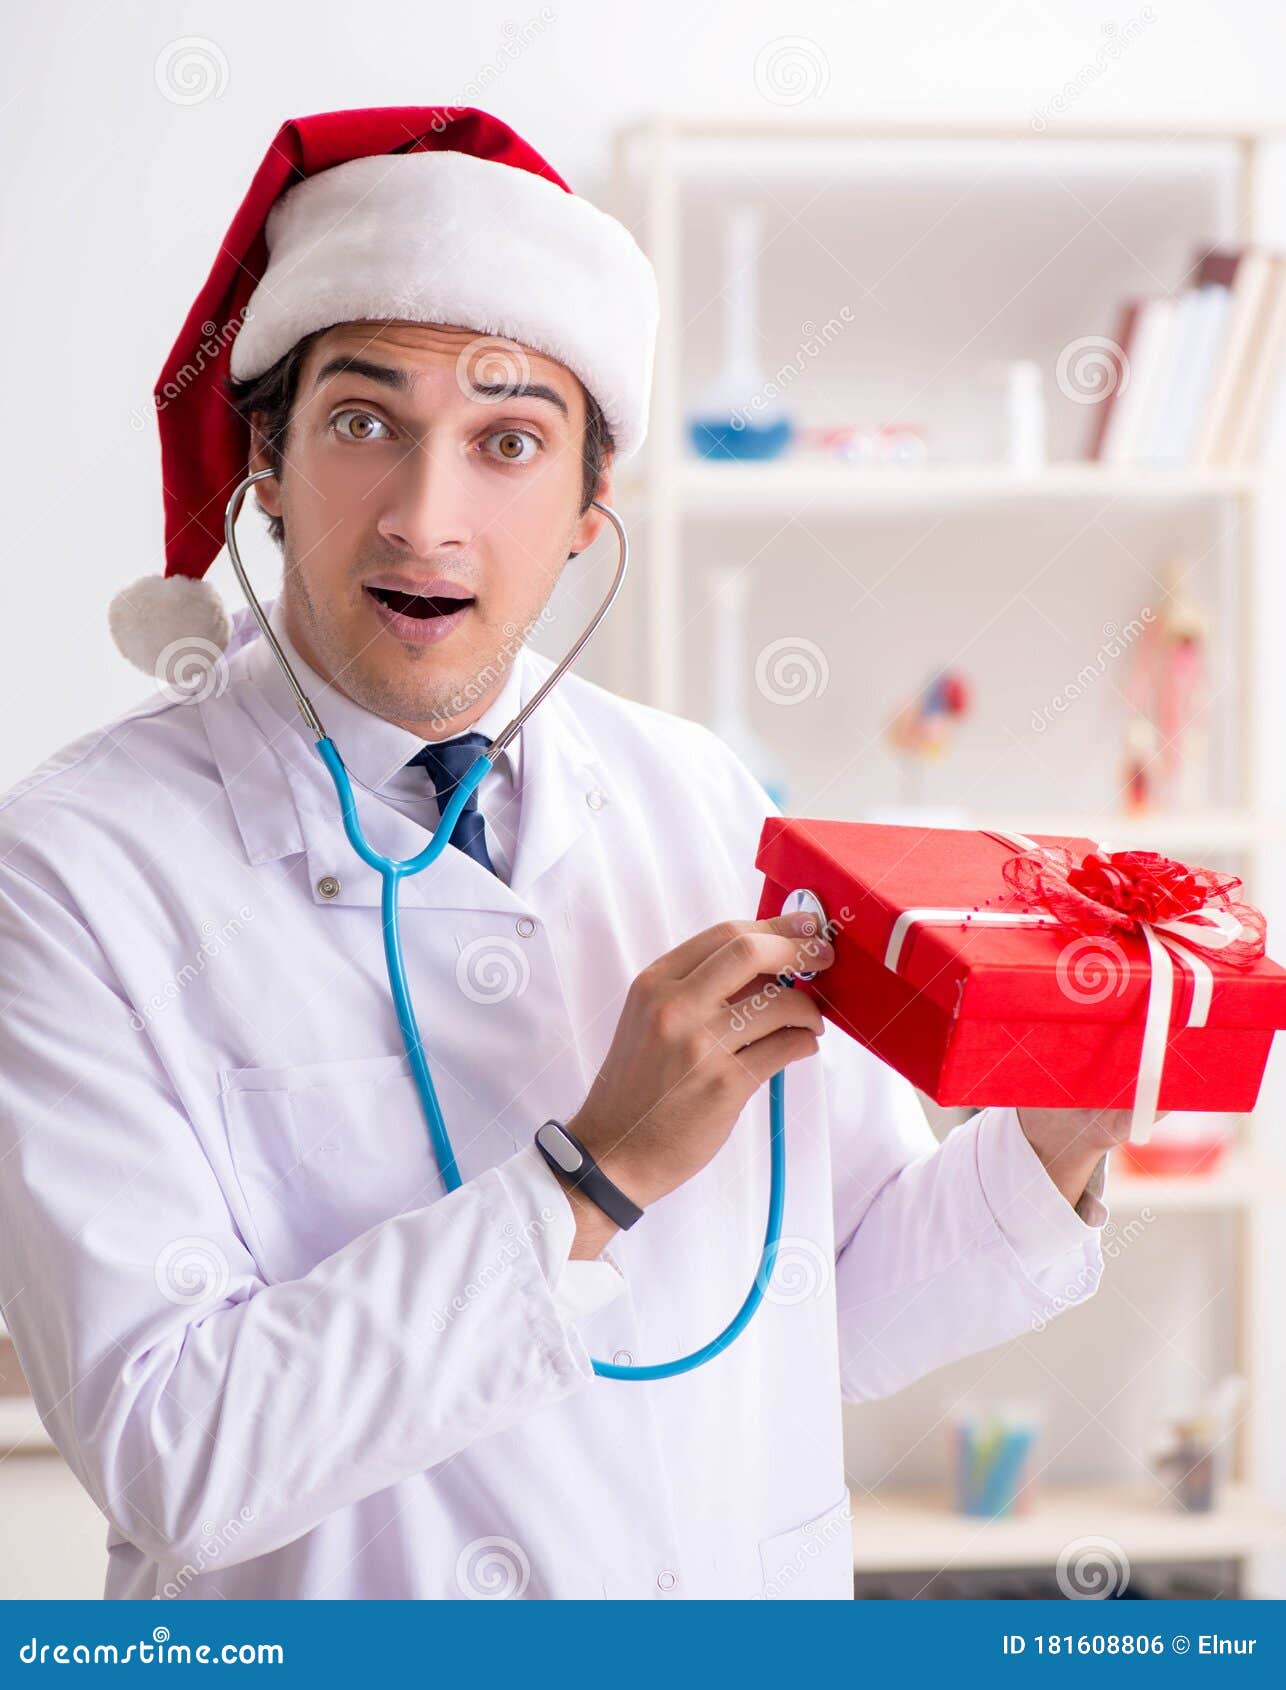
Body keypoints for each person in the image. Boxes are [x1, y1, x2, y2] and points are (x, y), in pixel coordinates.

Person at [0, 106, 1116, 1602]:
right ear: (264, 460)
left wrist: (1055, 1139)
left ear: (593, 506)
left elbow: (828, 1302)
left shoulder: (698, 797)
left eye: (508, 440)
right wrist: (588, 1176)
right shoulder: (73, 869)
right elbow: (172, 1452)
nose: (424, 516)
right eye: (360, 422)